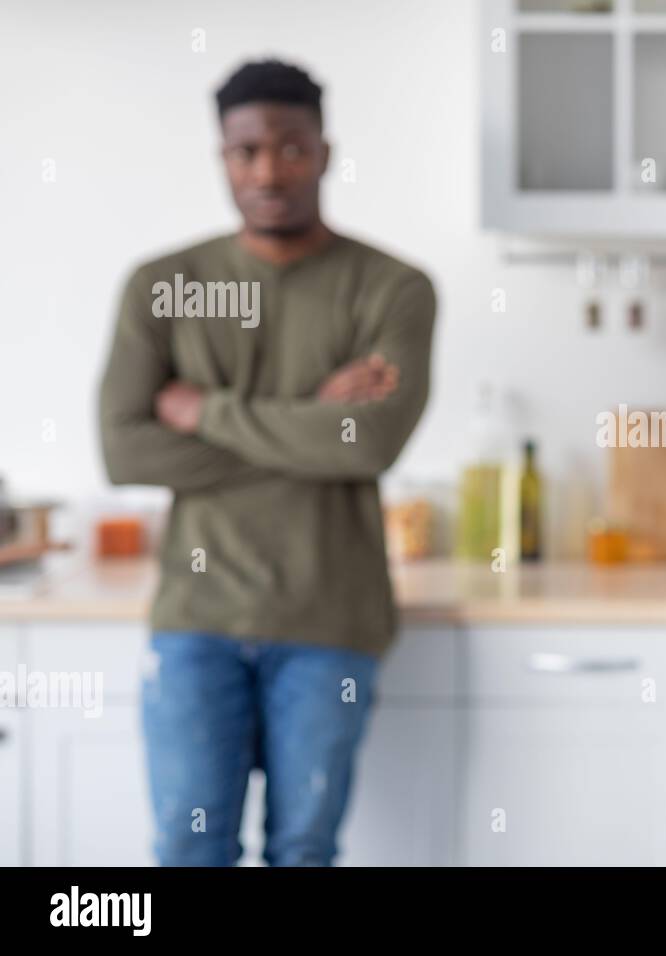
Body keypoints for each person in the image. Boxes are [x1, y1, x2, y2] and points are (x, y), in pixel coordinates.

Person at [97, 58, 437, 866]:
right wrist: (315, 422)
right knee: (188, 847)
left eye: (290, 147)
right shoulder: (163, 286)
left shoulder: (393, 288)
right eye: (246, 151)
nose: (268, 170)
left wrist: (207, 411)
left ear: (324, 152)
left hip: (331, 620)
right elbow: (123, 448)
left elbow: (374, 441)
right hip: (197, 619)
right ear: (223, 157)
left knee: (304, 848)